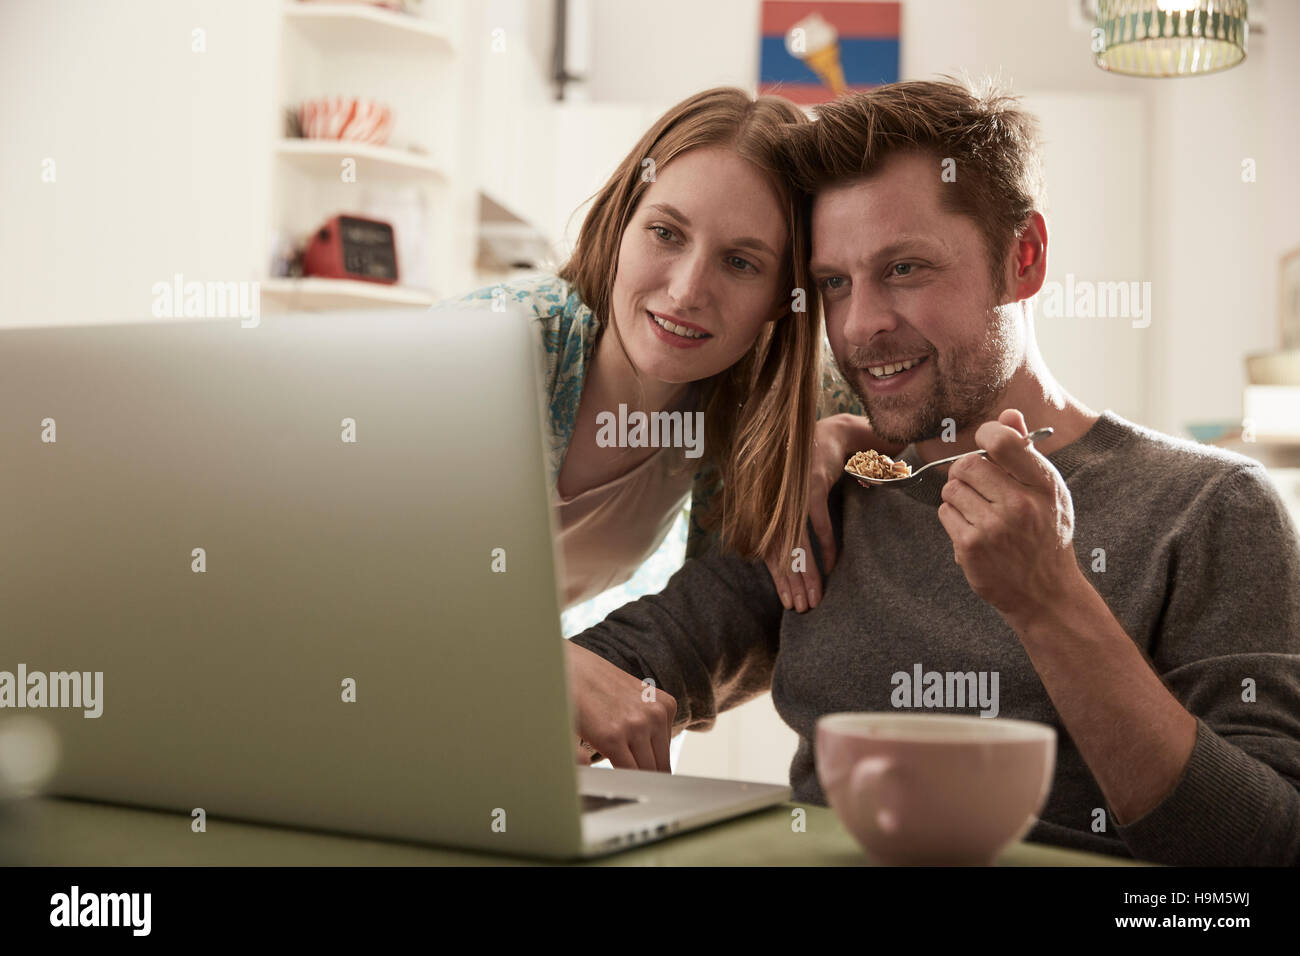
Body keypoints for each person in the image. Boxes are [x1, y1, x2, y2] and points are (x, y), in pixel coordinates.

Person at [562, 77, 1300, 865]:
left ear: (1024, 257)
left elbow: (1262, 850)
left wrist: (1049, 602)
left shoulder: (1210, 506)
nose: (861, 325)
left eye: (906, 269)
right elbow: (638, 658)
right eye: (835, 283)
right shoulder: (833, 492)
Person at [436, 87, 889, 615]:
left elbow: (946, 432)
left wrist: (839, 437)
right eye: (665, 233)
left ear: (781, 299)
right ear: (620, 223)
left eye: (740, 262)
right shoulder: (489, 347)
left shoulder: (757, 392)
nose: (686, 292)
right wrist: (559, 663)